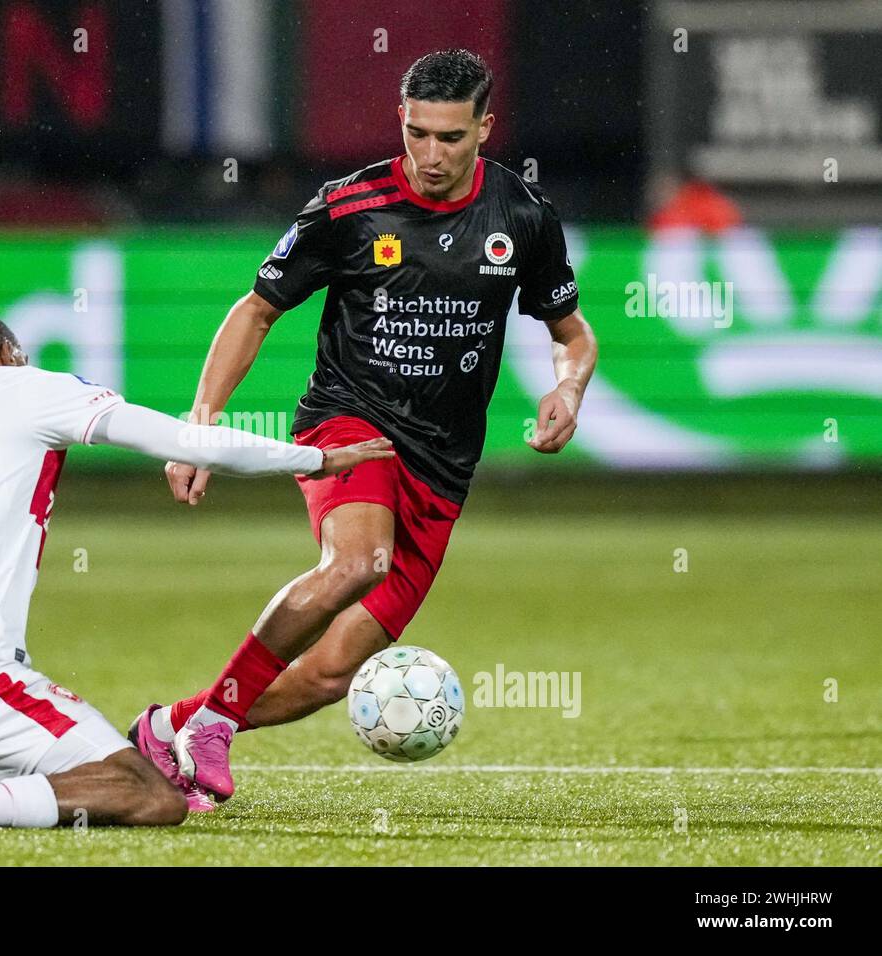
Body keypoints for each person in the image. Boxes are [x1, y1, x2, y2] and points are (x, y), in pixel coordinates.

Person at [132, 49, 599, 805]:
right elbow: (257, 309)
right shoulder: (350, 206)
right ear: (402, 122)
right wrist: (201, 424)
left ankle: (170, 727)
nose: (432, 155)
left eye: (451, 137)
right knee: (357, 563)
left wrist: (569, 389)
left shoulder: (521, 216)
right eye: (418, 133)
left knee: (330, 675)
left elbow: (571, 332)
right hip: (351, 425)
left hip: (444, 465)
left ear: (485, 127)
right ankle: (213, 725)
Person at [0, 309, 393, 830]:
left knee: (35, 762)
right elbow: (185, 442)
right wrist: (315, 456)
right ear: (7, 351)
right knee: (150, 796)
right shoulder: (26, 386)